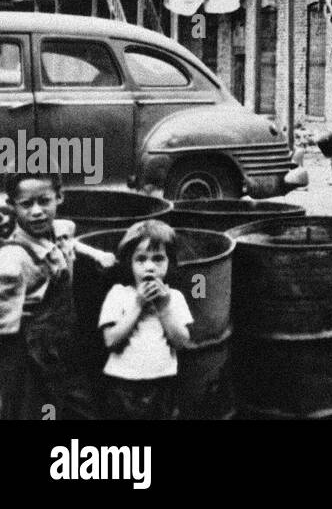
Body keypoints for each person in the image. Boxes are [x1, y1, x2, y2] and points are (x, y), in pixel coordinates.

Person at [0, 174, 114, 421]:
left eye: (44, 201)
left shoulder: (59, 231)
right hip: (33, 363)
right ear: (11, 204)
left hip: (65, 350)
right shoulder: (13, 260)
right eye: (26, 204)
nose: (37, 212)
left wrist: (98, 256)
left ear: (59, 197)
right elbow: (5, 335)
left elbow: (70, 243)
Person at [98, 220, 193, 420]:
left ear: (170, 262)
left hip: (162, 383)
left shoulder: (174, 297)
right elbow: (110, 341)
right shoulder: (118, 294)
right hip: (123, 384)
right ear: (129, 263)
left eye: (158, 259)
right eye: (140, 259)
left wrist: (164, 307)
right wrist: (138, 305)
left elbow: (182, 342)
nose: (149, 267)